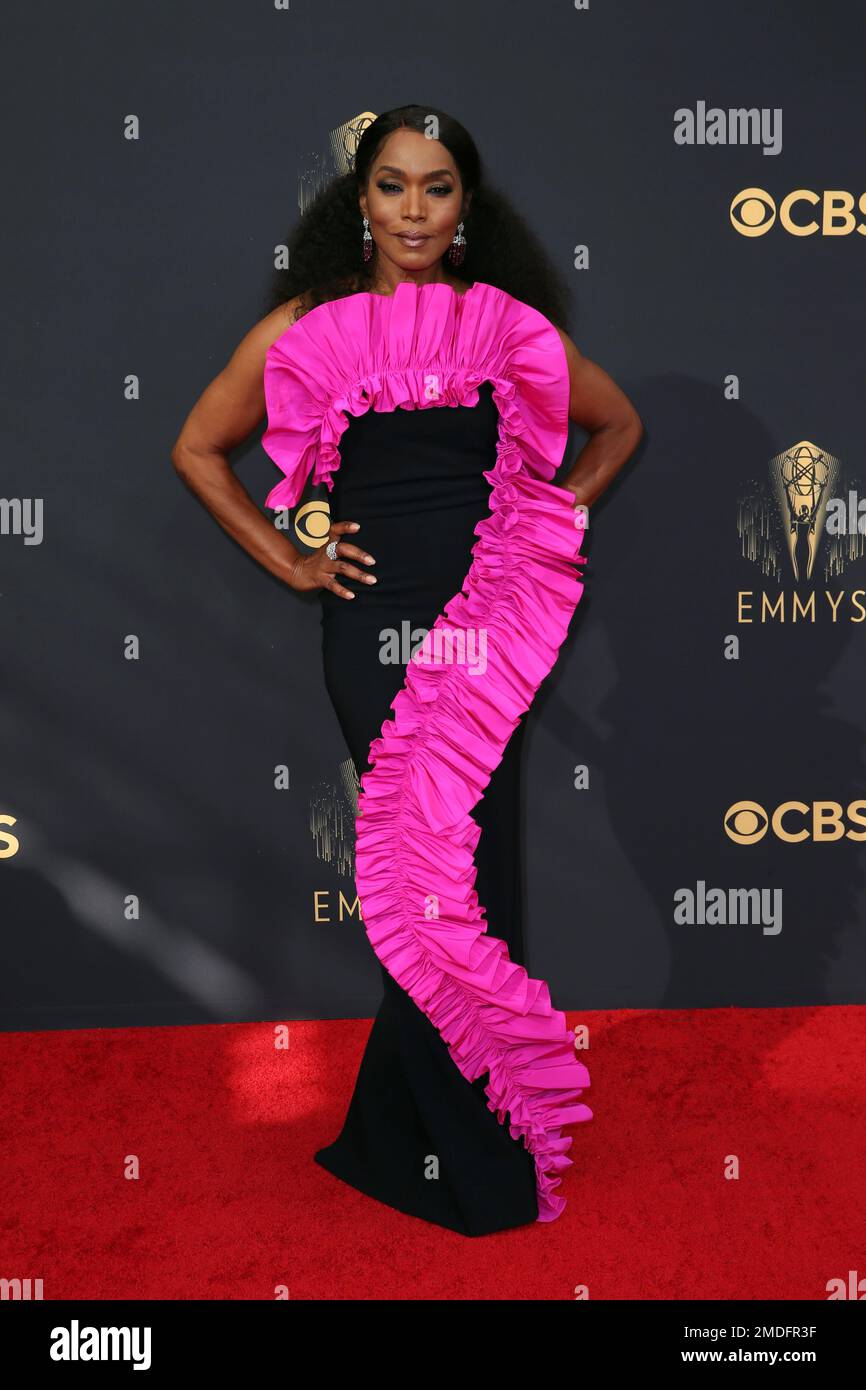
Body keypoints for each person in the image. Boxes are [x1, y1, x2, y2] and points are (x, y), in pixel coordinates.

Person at [171, 104, 643, 1235]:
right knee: (418, 872)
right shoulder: (308, 326)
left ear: (464, 207)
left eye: (436, 188)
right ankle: (462, 1152)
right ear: (359, 201)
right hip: (371, 629)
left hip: (493, 622)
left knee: (474, 879)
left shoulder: (507, 326)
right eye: (392, 186)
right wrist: (290, 559)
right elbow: (197, 447)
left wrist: (540, 526)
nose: (414, 210)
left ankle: (408, 1134)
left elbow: (614, 427)